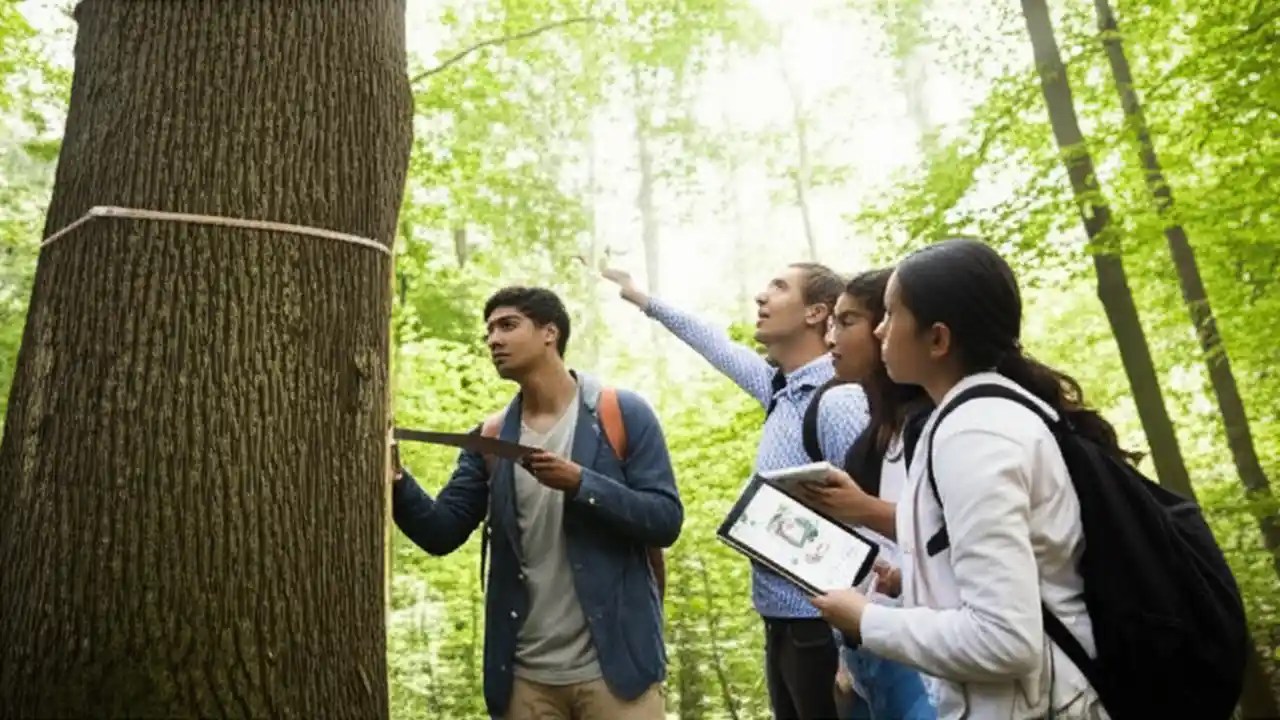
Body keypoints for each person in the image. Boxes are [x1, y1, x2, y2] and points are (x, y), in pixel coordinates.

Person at [811, 239, 1108, 719]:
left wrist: (866, 620)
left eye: (890, 314)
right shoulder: (967, 418)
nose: (880, 329)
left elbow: (1006, 641)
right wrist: (914, 577)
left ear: (938, 339)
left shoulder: (976, 435)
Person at [391, 286, 682, 720]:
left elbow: (665, 520)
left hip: (618, 672)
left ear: (550, 333)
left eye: (507, 325)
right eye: (488, 331)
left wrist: (582, 482)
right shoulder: (490, 437)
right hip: (525, 678)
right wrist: (395, 480)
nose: (494, 340)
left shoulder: (621, 413)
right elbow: (441, 531)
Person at [603, 263, 868, 720]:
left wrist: (854, 648)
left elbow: (876, 520)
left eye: (779, 288)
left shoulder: (838, 399)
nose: (761, 298)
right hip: (783, 620)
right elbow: (713, 343)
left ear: (815, 313)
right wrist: (642, 299)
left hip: (826, 628)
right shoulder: (780, 390)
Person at [794, 267, 936, 719]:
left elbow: (956, 536)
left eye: (848, 321)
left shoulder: (934, 424)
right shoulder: (881, 429)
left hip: (921, 658)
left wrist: (862, 508)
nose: (832, 337)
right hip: (871, 643)